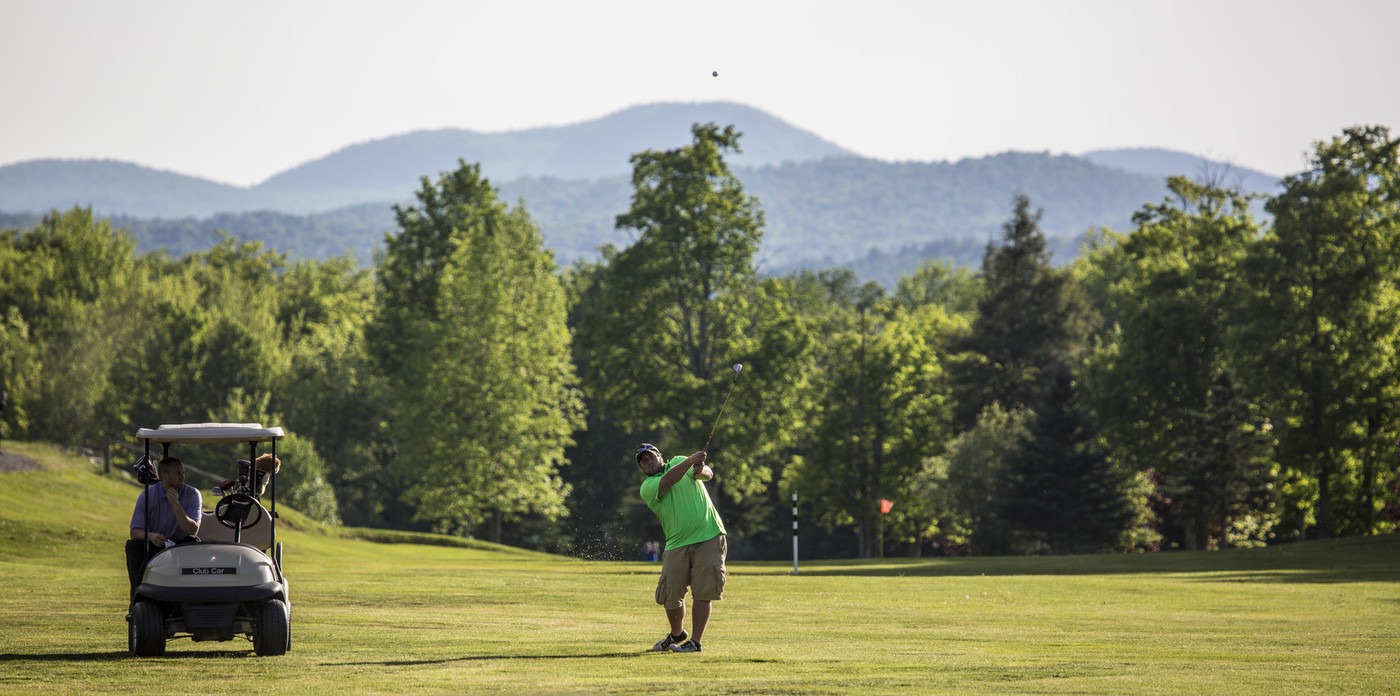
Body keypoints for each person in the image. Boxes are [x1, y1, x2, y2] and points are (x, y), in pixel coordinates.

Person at [635, 442, 727, 654]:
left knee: (703, 592)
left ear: (660, 456)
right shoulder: (647, 487)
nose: (648, 462)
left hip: (709, 536)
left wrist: (700, 468)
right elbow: (669, 479)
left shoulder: (678, 461)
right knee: (670, 594)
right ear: (641, 468)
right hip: (677, 543)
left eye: (651, 457)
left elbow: (707, 474)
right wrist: (691, 461)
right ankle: (677, 634)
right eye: (644, 461)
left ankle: (695, 642)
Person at [125, 456, 202, 597]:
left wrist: (175, 504)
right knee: (134, 545)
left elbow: (192, 530)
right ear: (165, 476)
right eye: (178, 473)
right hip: (156, 544)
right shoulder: (148, 495)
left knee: (193, 542)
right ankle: (138, 595)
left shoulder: (192, 494)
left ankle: (191, 596)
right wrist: (152, 536)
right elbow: (135, 531)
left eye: (183, 473)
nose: (182, 477)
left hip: (180, 544)